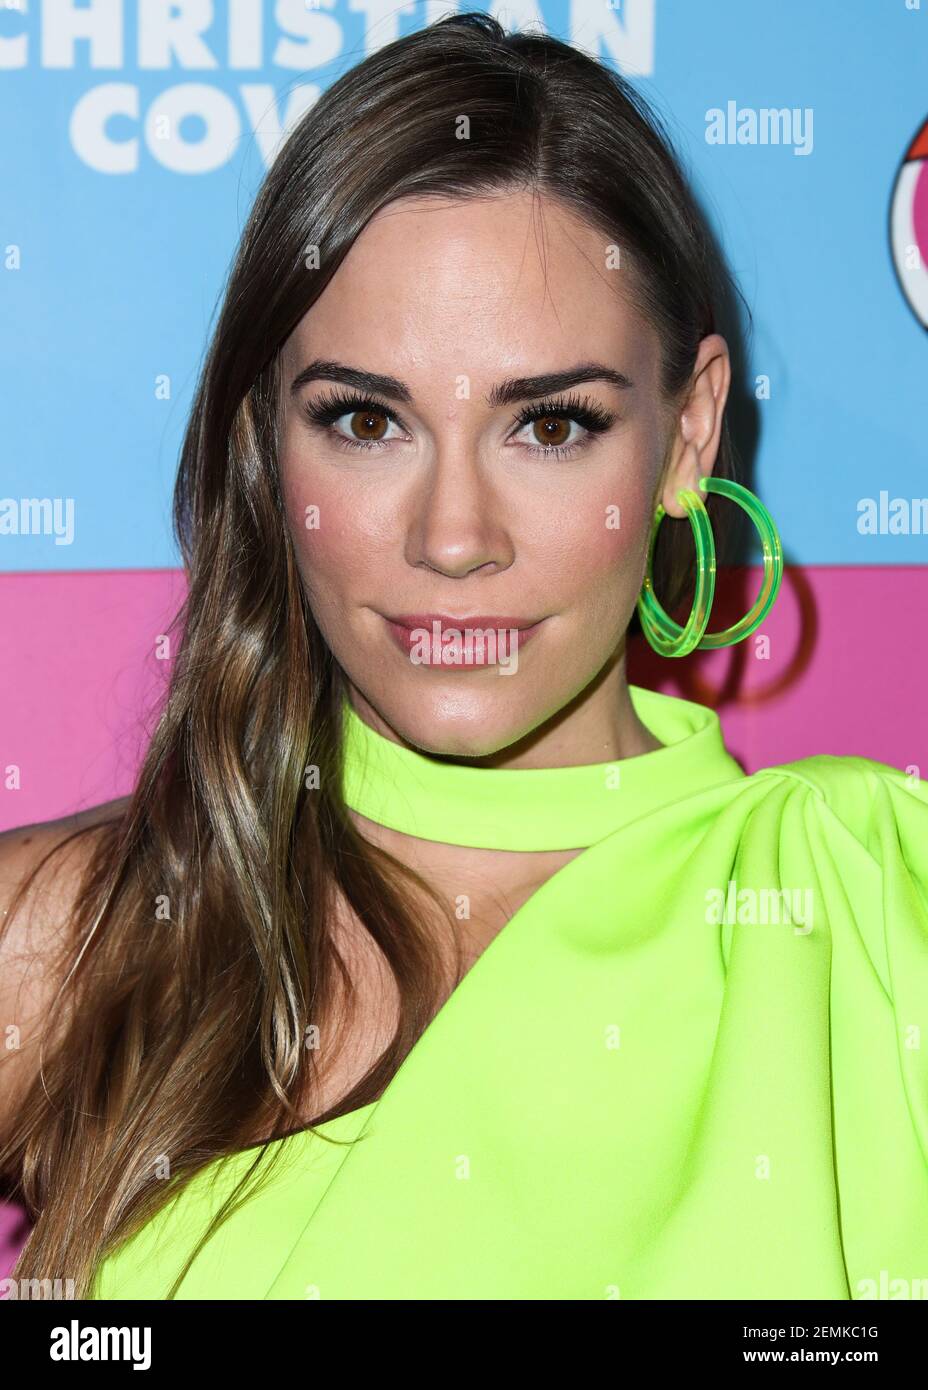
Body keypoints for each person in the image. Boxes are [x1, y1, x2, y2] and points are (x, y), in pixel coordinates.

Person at [1, 13, 926, 1302]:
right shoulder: (72, 934)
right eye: (366, 420)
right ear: (272, 445)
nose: (452, 538)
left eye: (550, 425)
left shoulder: (875, 909)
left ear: (685, 436)